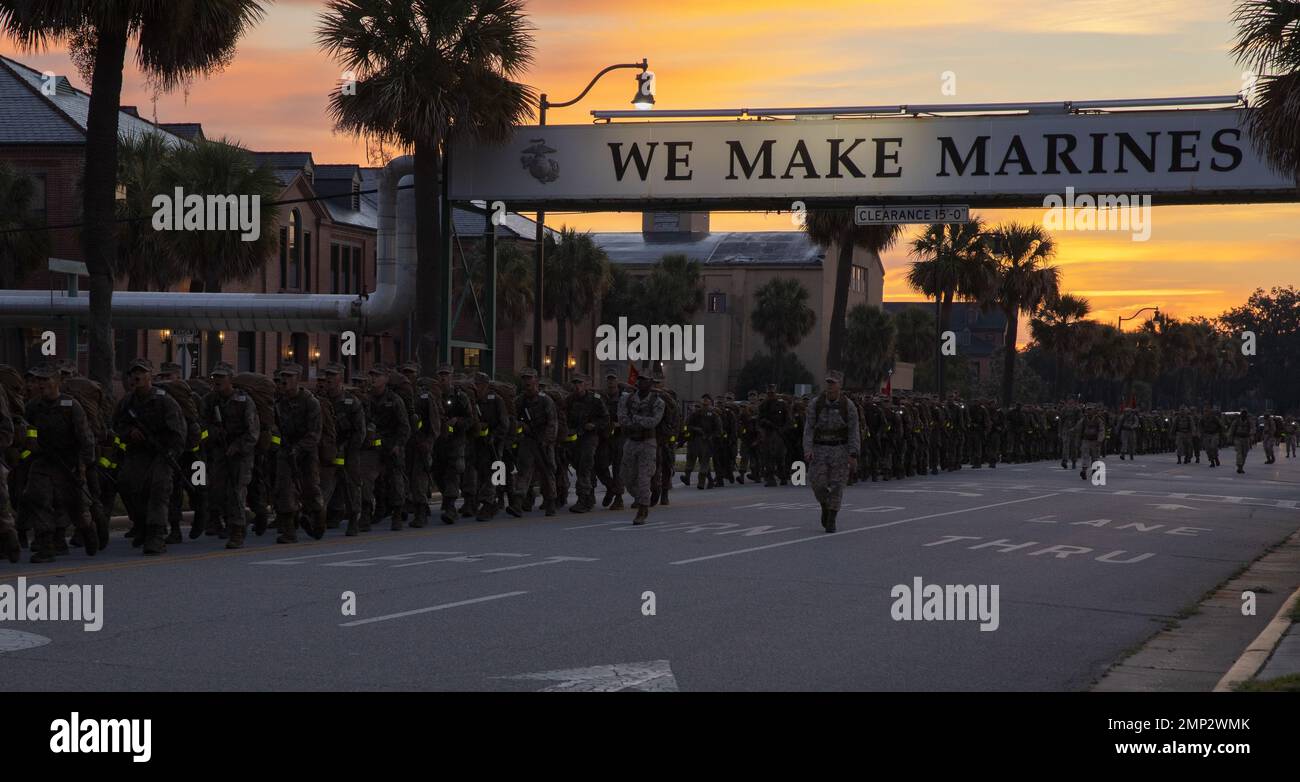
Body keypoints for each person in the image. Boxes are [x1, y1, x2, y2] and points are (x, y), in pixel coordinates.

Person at [20, 363, 98, 563]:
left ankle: (88, 530)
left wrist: (82, 465)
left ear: (56, 382)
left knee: (76, 506)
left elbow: (85, 439)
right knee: (37, 497)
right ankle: (47, 544)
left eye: (45, 380)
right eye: (38, 380)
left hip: (69, 462)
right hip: (44, 461)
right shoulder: (33, 406)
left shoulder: (71, 406)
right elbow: (29, 428)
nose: (40, 384)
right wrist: (31, 441)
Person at [112, 358, 187, 555]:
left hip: (162, 452)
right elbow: (116, 426)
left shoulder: (164, 400)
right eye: (133, 373)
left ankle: (156, 535)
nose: (136, 377)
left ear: (149, 376)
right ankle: (141, 525)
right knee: (127, 484)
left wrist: (171, 455)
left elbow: (178, 432)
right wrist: (129, 433)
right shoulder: (127, 402)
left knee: (158, 489)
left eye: (141, 372)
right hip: (138, 453)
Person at [199, 363, 259, 549]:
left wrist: (237, 446)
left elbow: (252, 433)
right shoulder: (210, 400)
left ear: (230, 380)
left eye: (221, 378)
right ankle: (236, 519)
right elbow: (202, 427)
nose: (217, 381)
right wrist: (212, 434)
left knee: (236, 491)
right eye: (215, 378)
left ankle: (237, 531)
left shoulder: (244, 401)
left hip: (241, 454)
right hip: (219, 451)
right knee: (217, 491)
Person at [272, 363, 324, 543]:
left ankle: (317, 517)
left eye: (289, 376)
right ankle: (288, 531)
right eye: (283, 377)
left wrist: (300, 448)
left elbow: (315, 433)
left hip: (307, 451)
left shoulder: (310, 402)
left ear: (298, 379)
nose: (285, 380)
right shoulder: (279, 402)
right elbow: (275, 427)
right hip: (286, 451)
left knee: (310, 488)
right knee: (284, 489)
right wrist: (279, 444)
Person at [803, 370, 860, 533]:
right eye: (828, 382)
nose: (830, 386)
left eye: (833, 383)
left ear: (839, 385)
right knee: (817, 483)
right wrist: (807, 449)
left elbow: (854, 431)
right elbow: (808, 428)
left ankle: (832, 518)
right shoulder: (816, 403)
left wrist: (853, 453)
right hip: (820, 448)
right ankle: (824, 505)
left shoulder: (848, 406)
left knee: (837, 485)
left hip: (840, 449)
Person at [318, 363, 365, 535]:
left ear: (340, 378)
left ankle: (354, 519)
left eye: (332, 375)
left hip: (348, 451)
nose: (328, 378)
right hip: (328, 451)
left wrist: (349, 449)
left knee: (351, 485)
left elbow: (360, 431)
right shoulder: (320, 400)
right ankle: (319, 519)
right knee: (324, 486)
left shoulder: (351, 402)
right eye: (327, 375)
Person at [508, 368, 557, 517]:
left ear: (536, 380)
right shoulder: (519, 401)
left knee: (547, 473)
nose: (527, 381)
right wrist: (520, 427)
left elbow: (552, 422)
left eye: (530, 378)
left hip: (543, 441)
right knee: (524, 472)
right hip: (528, 441)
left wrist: (547, 441)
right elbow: (512, 419)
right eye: (524, 378)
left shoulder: (545, 400)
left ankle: (551, 502)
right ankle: (518, 503)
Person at [619, 372, 665, 525]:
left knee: (643, 477)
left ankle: (642, 509)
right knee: (626, 476)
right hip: (631, 441)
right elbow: (622, 418)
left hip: (647, 442)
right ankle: (643, 496)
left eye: (645, 380)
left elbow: (653, 422)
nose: (642, 383)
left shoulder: (658, 402)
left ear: (651, 384)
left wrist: (636, 419)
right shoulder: (627, 399)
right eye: (640, 380)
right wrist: (635, 422)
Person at [565, 373, 608, 513]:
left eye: (580, 383)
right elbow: (564, 417)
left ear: (586, 384)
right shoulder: (570, 400)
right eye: (575, 383)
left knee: (585, 466)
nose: (577, 386)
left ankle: (583, 499)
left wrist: (594, 425)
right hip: (575, 437)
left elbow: (605, 419)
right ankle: (590, 496)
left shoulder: (595, 399)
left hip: (590, 437)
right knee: (580, 467)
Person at [469, 371, 510, 521]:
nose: (476, 387)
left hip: (493, 442)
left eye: (479, 384)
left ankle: (488, 504)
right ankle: (492, 500)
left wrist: (493, 436)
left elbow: (504, 424)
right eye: (475, 384)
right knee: (480, 471)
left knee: (493, 473)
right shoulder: (473, 400)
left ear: (486, 385)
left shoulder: (496, 401)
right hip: (478, 442)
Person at [682, 394, 721, 490]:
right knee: (690, 459)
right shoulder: (695, 414)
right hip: (694, 440)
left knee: (704, 462)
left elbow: (718, 430)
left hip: (707, 441)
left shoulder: (714, 415)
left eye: (707, 402)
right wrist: (695, 430)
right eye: (703, 401)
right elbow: (687, 425)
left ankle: (701, 482)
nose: (705, 404)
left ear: (711, 403)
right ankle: (687, 477)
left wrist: (711, 437)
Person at [1230, 409, 1254, 474]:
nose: (1243, 415)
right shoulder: (1236, 421)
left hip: (1246, 439)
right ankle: (1239, 467)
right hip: (1238, 438)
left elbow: (1253, 429)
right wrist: (1230, 437)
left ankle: (1241, 466)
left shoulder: (1249, 422)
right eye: (1242, 414)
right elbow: (1232, 429)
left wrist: (1251, 436)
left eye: (1245, 414)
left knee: (1244, 454)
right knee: (1239, 453)